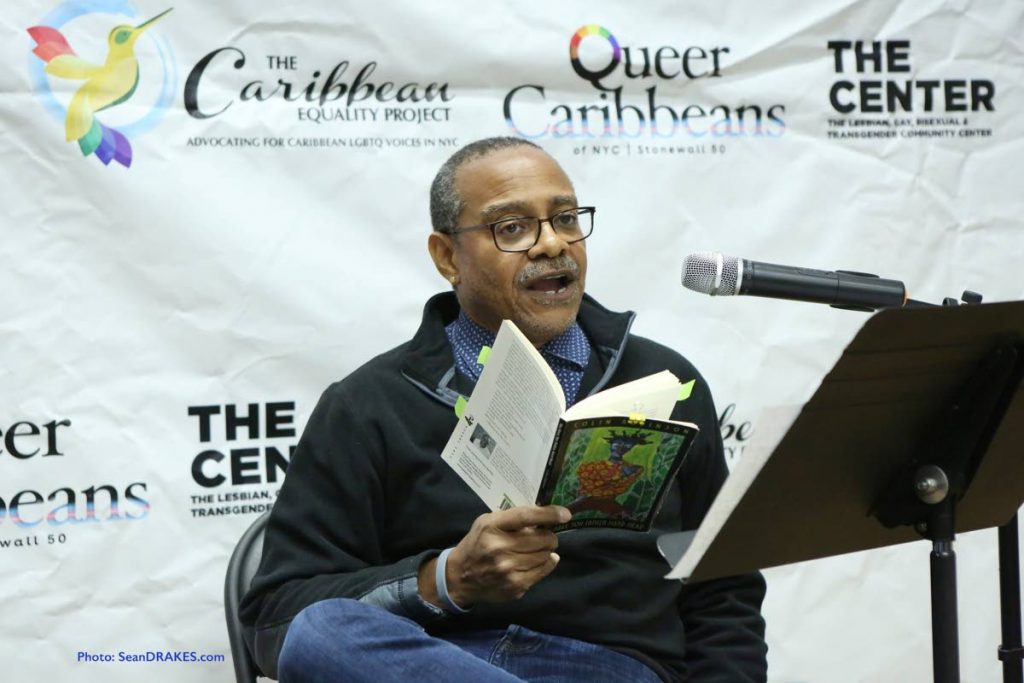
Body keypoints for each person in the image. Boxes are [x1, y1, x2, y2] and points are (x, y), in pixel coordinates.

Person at [239, 136, 768, 682]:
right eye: (511, 228)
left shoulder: (667, 382)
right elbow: (274, 620)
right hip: (441, 664)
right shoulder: (367, 405)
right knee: (320, 630)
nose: (550, 244)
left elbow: (723, 590)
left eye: (565, 219)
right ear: (448, 258)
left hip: (613, 668)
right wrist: (447, 580)